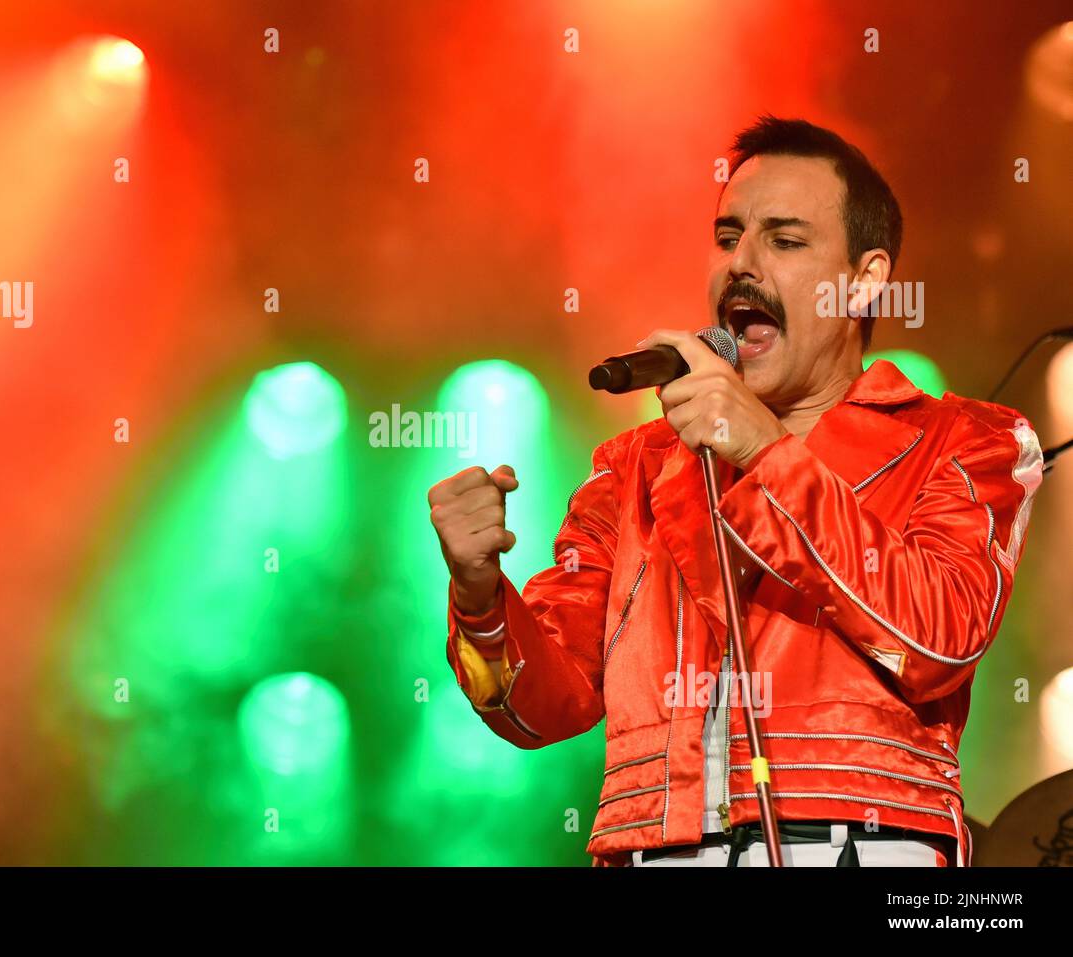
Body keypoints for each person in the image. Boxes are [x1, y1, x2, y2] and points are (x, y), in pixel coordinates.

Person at [427, 116, 1043, 867]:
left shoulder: (966, 440)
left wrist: (763, 451)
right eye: (728, 237)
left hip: (860, 844)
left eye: (785, 241)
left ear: (867, 277)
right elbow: (542, 709)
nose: (741, 264)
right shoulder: (634, 465)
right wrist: (482, 594)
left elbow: (936, 640)